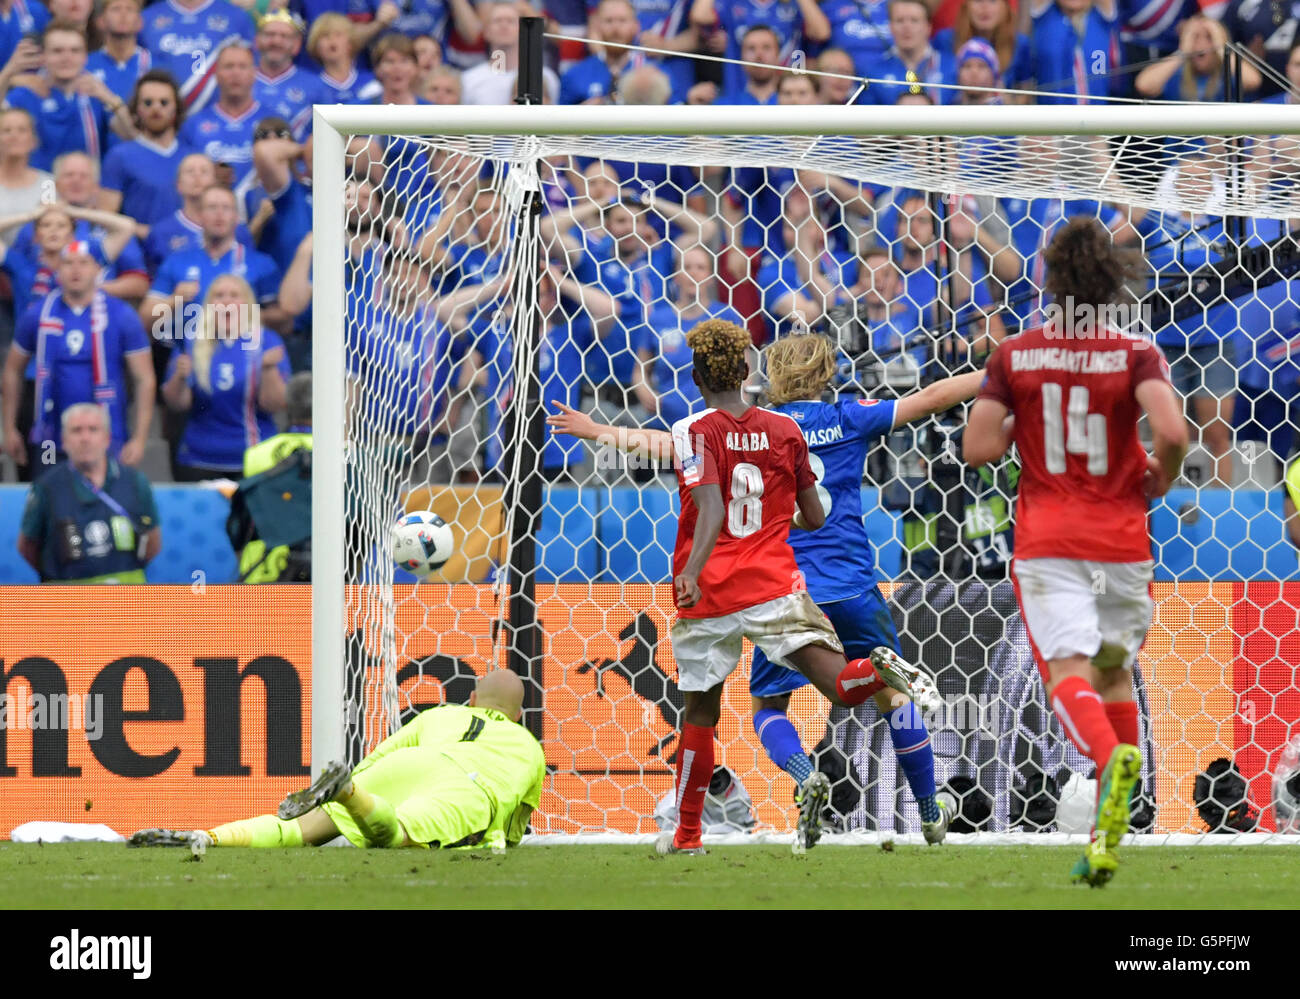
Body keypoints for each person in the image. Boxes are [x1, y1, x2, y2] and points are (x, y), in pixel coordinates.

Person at [554, 333, 979, 846]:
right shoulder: (838, 419)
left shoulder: (739, 426)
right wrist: (999, 371)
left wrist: (596, 429)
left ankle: (796, 781)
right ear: (825, 374)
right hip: (838, 583)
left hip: (765, 585)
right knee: (879, 694)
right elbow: (931, 398)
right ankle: (930, 811)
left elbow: (666, 446)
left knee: (760, 708)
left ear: (768, 376)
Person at [963, 217, 1188, 886]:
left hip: (1050, 539)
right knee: (1115, 674)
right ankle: (1103, 839)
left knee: (1066, 670)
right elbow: (1173, 429)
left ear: (1050, 278)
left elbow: (978, 449)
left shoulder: (1017, 354)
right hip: (1123, 540)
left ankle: (1108, 758)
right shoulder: (1136, 352)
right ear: (1110, 278)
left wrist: (1019, 422)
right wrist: (1161, 474)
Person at [128, 670, 546, 851]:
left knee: (297, 832)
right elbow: (509, 829)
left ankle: (210, 837)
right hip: (467, 787)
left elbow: (381, 756)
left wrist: (353, 783)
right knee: (393, 835)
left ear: (471, 699)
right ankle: (348, 793)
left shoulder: (440, 714)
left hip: (412, 762)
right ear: (519, 715)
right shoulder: (529, 747)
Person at [3, 239, 154, 474]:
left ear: (98, 269)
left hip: (107, 433)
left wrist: (140, 437)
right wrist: (10, 426)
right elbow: (12, 370)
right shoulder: (38, 314)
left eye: (84, 263)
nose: (75, 270)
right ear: (57, 270)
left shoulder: (121, 315)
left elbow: (144, 378)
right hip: (50, 436)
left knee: (104, 500)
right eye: (68, 263)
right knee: (51, 492)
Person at [160, 273, 290, 481]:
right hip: (199, 459)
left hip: (255, 458)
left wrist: (268, 370)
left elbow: (275, 405)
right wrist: (180, 378)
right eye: (219, 295)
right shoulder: (191, 341)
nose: (227, 301)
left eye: (234, 295)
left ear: (247, 303)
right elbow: (177, 405)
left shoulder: (266, 340)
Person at [17, 401, 161, 583]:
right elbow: (27, 546)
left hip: (125, 601)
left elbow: (153, 541)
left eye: (93, 430)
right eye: (76, 430)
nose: (85, 438)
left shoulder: (134, 482)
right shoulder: (46, 487)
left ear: (107, 438)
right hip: (68, 603)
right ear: (64, 440)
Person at [237, 370, 312, 582]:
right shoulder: (340, 454)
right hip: (324, 573)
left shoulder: (255, 454)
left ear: (286, 406)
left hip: (262, 570)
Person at [100, 70, 193, 229]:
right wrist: (148, 234)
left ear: (176, 109)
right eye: (148, 103)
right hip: (140, 249)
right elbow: (106, 217)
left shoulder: (193, 157)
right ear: (137, 109)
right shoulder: (120, 156)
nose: (156, 109)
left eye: (164, 102)